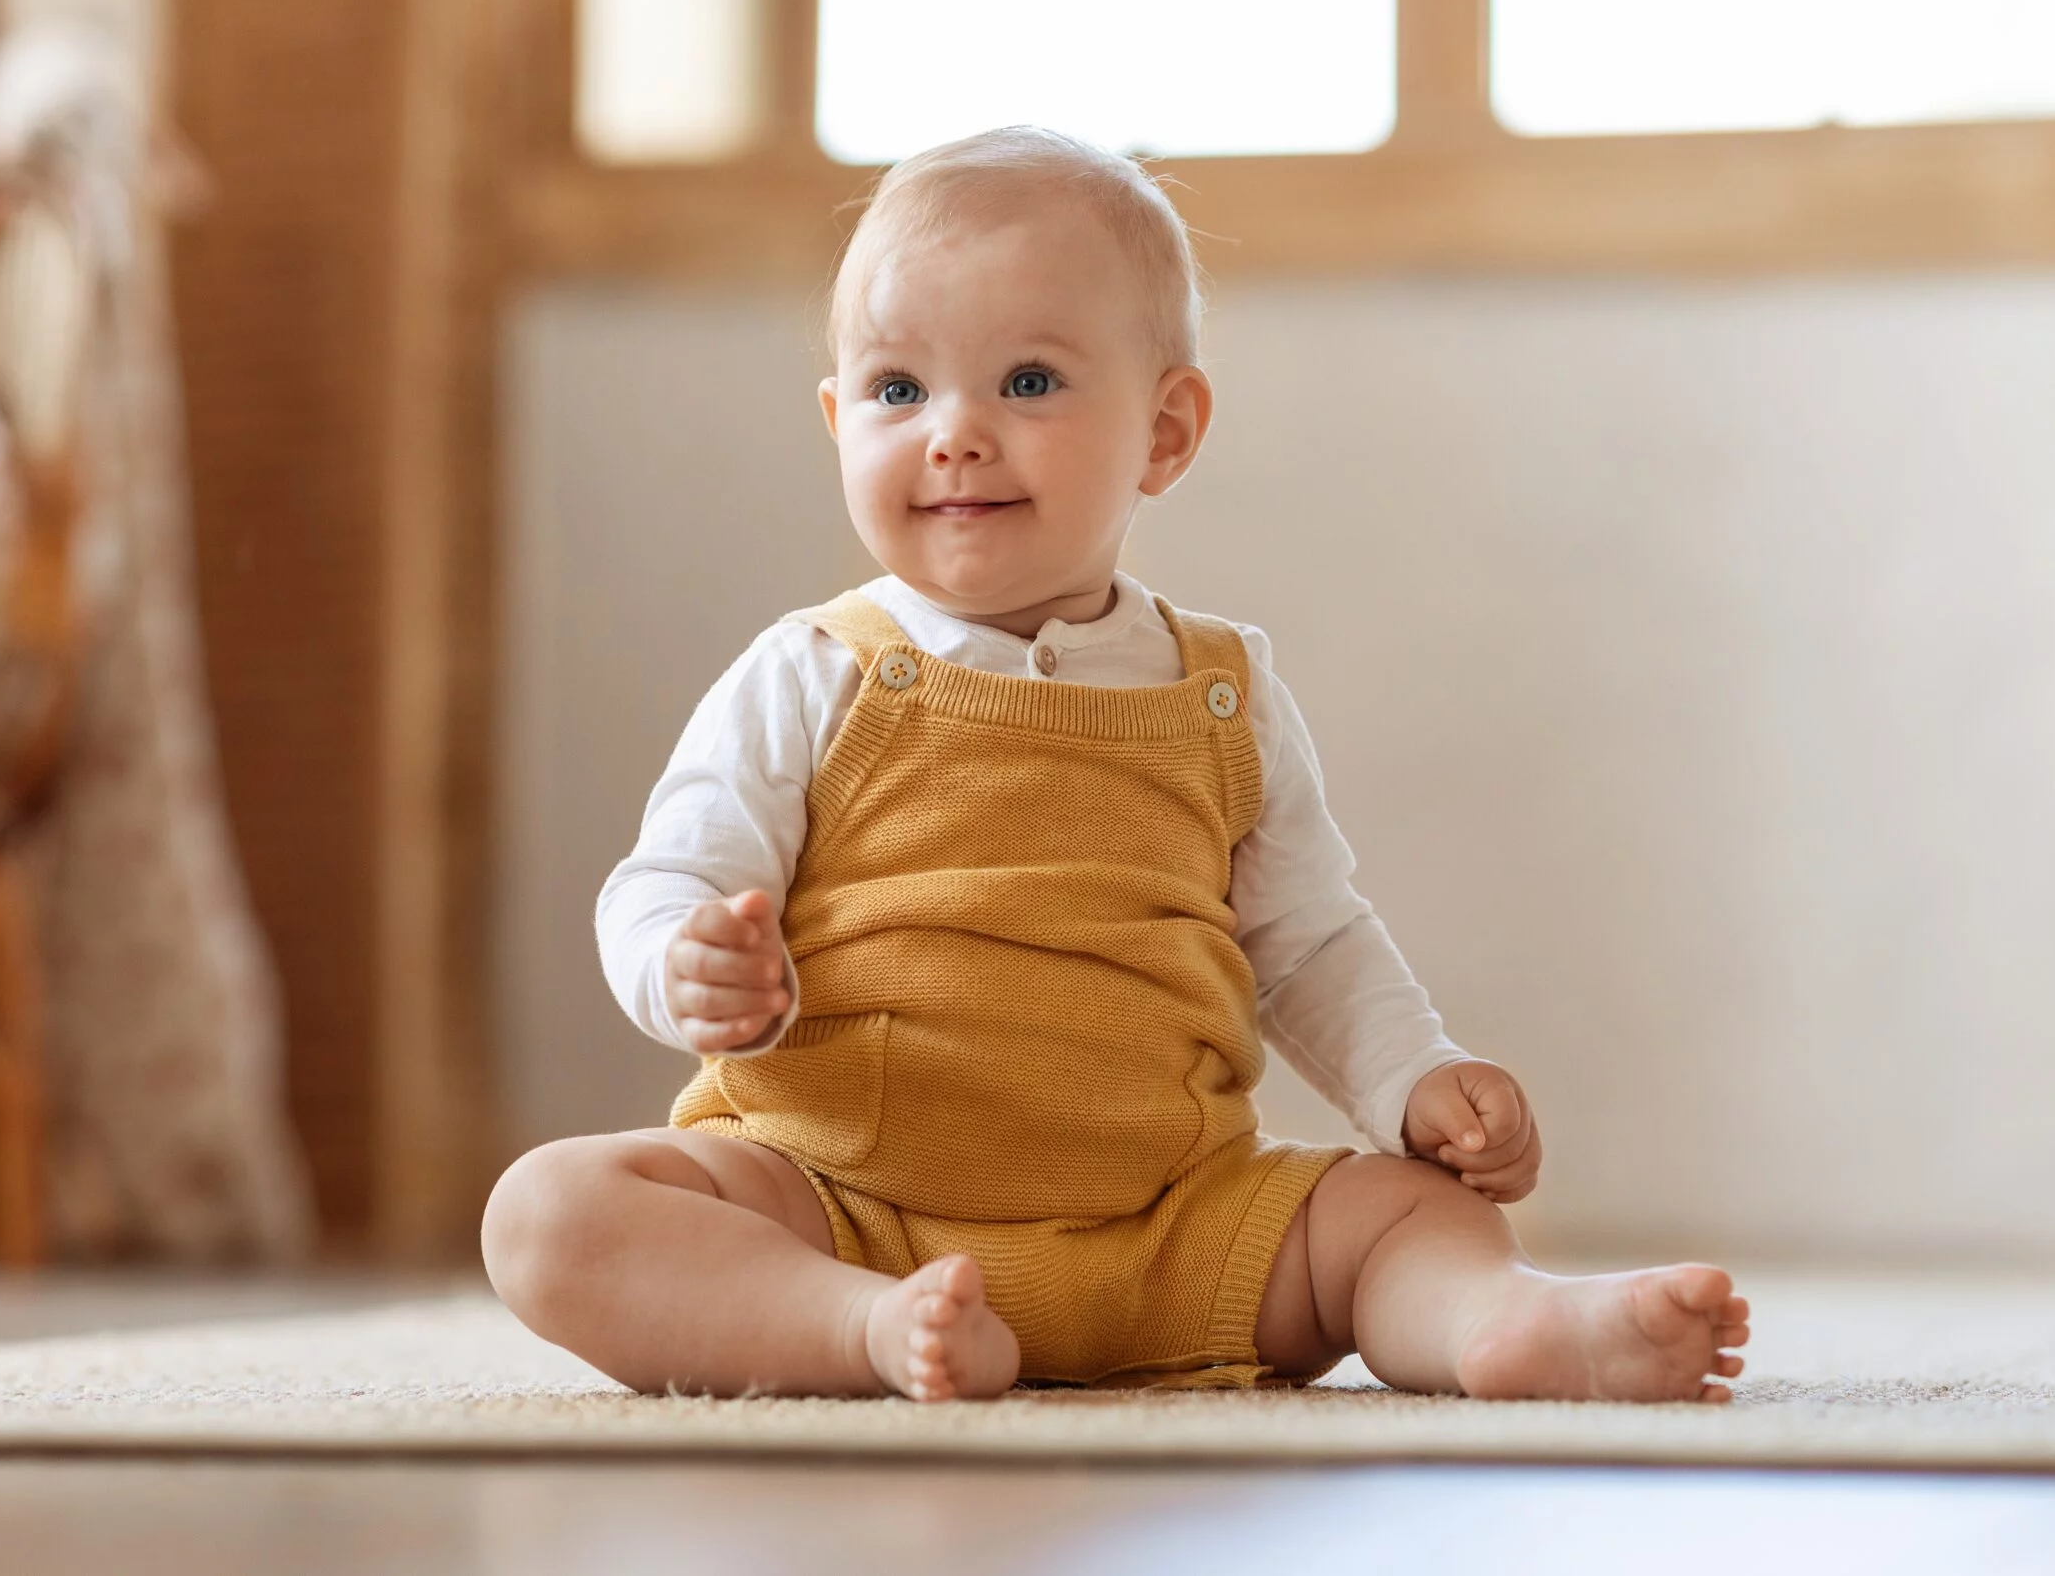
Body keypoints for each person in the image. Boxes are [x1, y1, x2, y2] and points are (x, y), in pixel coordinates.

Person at [482, 126, 1749, 1403]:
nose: (954, 434)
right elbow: (661, 881)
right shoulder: (812, 672)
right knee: (548, 1213)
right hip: (841, 1208)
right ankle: (859, 1333)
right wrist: (685, 961)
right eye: (897, 390)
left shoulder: (1219, 697)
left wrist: (1413, 1076)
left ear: (1165, 430)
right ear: (836, 421)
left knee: (1401, 1213)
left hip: (1174, 1229)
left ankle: (1503, 1328)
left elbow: (1306, 942)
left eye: (1027, 383)